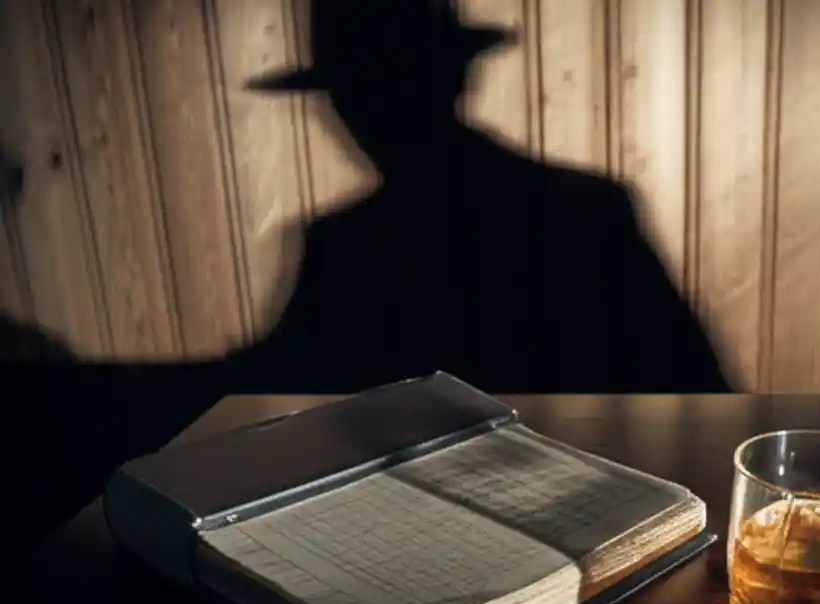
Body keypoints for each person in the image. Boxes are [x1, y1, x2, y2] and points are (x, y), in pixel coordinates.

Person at [234, 0, 729, 395]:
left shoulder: (346, 245)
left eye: (375, 91)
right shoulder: (592, 209)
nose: (356, 116)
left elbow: (692, 390)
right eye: (355, 94)